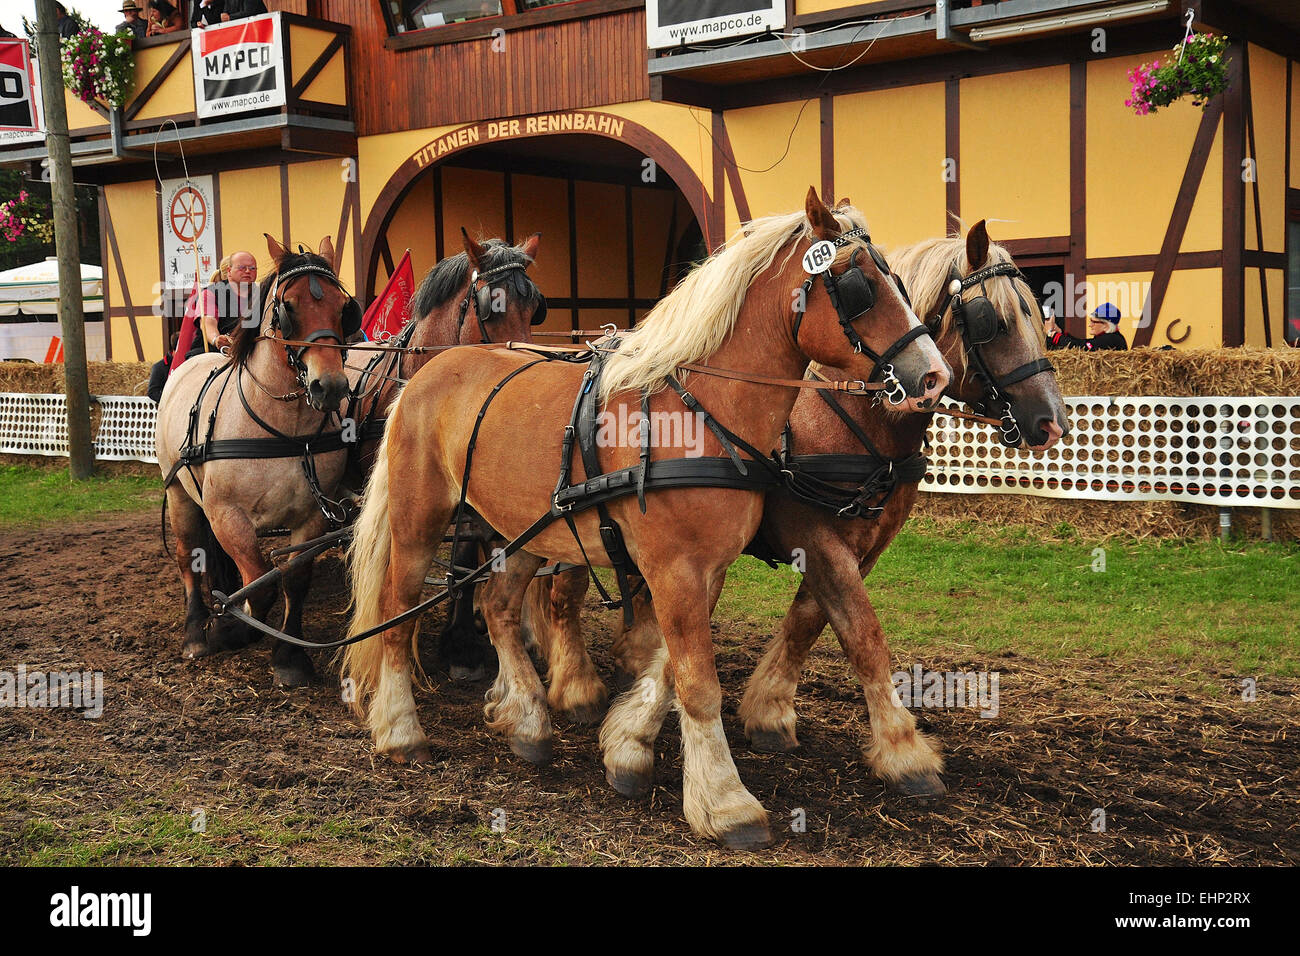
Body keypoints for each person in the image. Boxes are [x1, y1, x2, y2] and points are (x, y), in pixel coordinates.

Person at [1044, 302, 1129, 351]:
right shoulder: (1111, 337)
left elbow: (1081, 347)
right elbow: (1081, 342)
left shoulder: (1111, 339)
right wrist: (1059, 332)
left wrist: (1052, 334)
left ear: (1106, 326)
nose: (1090, 325)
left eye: (1094, 322)